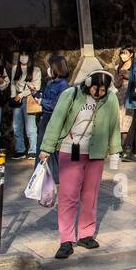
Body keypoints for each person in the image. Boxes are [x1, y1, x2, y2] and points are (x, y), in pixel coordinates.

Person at [38, 69, 120, 260]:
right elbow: (56, 121)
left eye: (102, 90)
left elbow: (114, 126)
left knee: (90, 195)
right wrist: (46, 148)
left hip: (96, 152)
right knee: (69, 196)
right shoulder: (71, 95)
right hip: (70, 150)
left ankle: (86, 234)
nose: (98, 93)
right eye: (95, 89)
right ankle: (66, 239)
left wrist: (115, 151)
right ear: (88, 83)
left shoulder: (111, 99)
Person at [8, 49, 43, 159]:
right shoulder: (15, 68)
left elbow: (36, 87)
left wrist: (21, 95)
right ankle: (20, 150)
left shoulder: (36, 70)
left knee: (31, 127)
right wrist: (14, 96)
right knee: (17, 126)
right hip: (17, 99)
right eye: (21, 55)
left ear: (30, 57)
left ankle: (33, 150)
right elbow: (13, 83)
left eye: (25, 55)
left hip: (29, 98)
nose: (23, 57)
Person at [37, 54, 71, 160]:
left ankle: (52, 176)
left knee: (50, 152)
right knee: (41, 149)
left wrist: (41, 101)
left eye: (50, 67)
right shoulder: (50, 83)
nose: (48, 70)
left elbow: (55, 105)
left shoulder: (63, 85)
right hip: (45, 118)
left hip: (53, 119)